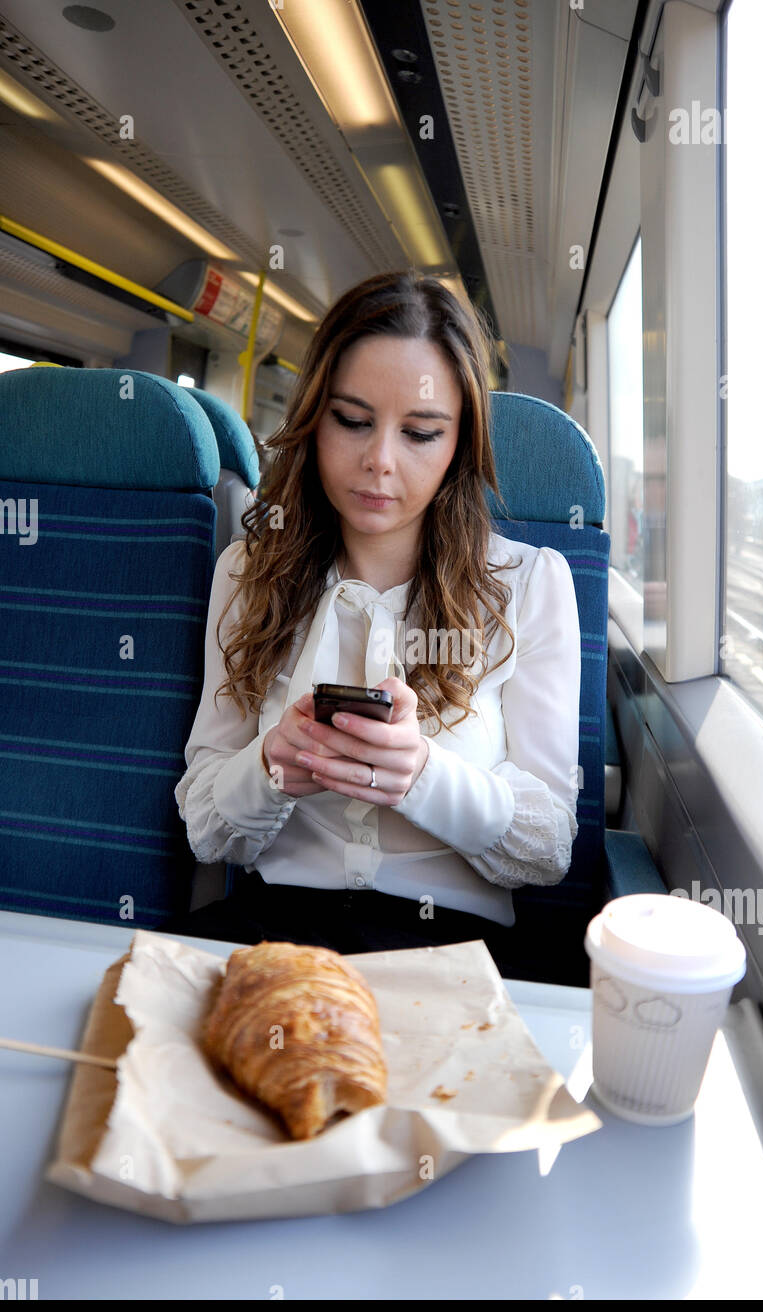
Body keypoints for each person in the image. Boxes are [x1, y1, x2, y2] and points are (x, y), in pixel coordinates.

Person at [172, 269, 582, 979]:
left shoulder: (531, 585)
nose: (379, 462)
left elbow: (548, 848)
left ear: (460, 444)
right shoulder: (247, 573)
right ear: (314, 418)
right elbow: (208, 830)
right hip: (276, 937)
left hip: (449, 949)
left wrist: (421, 776)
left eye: (421, 432)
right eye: (352, 421)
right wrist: (273, 764)